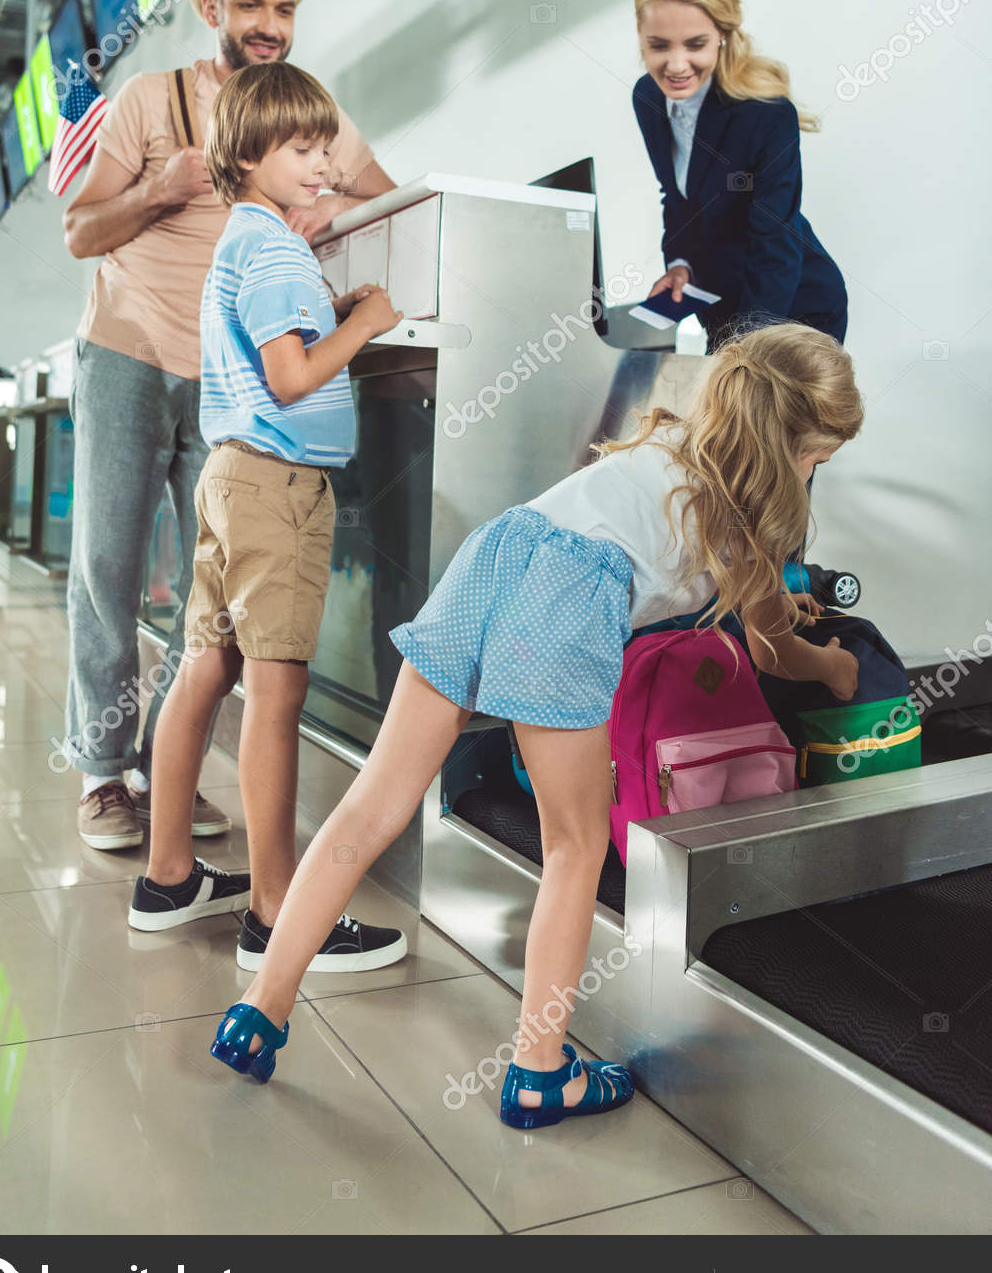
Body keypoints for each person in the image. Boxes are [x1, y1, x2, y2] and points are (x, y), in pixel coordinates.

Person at [207, 323, 864, 1121]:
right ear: (794, 446)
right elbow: (771, 650)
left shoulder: (670, 442)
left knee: (373, 803)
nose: (812, 475)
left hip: (497, 553)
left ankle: (260, 1005)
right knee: (576, 844)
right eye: (817, 459)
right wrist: (832, 666)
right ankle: (540, 1069)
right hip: (569, 596)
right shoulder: (752, 518)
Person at [62, 0, 395, 851]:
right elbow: (81, 232)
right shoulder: (148, 98)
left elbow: (390, 200)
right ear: (212, 8)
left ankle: (169, 781)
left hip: (239, 385)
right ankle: (103, 773)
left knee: (212, 602)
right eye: (249, 5)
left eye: (284, 9)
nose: (268, 24)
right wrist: (161, 190)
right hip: (129, 351)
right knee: (110, 568)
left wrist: (339, 206)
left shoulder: (304, 113)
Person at [127, 61, 408, 972]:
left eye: (326, 146)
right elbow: (290, 378)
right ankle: (282, 915)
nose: (324, 164)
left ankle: (170, 875)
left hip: (230, 477)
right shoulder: (279, 248)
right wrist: (365, 322)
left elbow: (268, 352)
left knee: (203, 668)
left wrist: (328, 306)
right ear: (247, 154)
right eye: (302, 148)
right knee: (275, 696)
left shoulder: (245, 240)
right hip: (277, 490)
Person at [632, 0, 847, 349]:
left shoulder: (766, 114)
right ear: (640, 33)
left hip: (793, 311)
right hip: (724, 308)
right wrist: (682, 266)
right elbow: (678, 198)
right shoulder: (647, 98)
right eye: (659, 46)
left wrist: (738, 355)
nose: (676, 66)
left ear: (722, 34)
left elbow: (775, 247)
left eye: (695, 44)